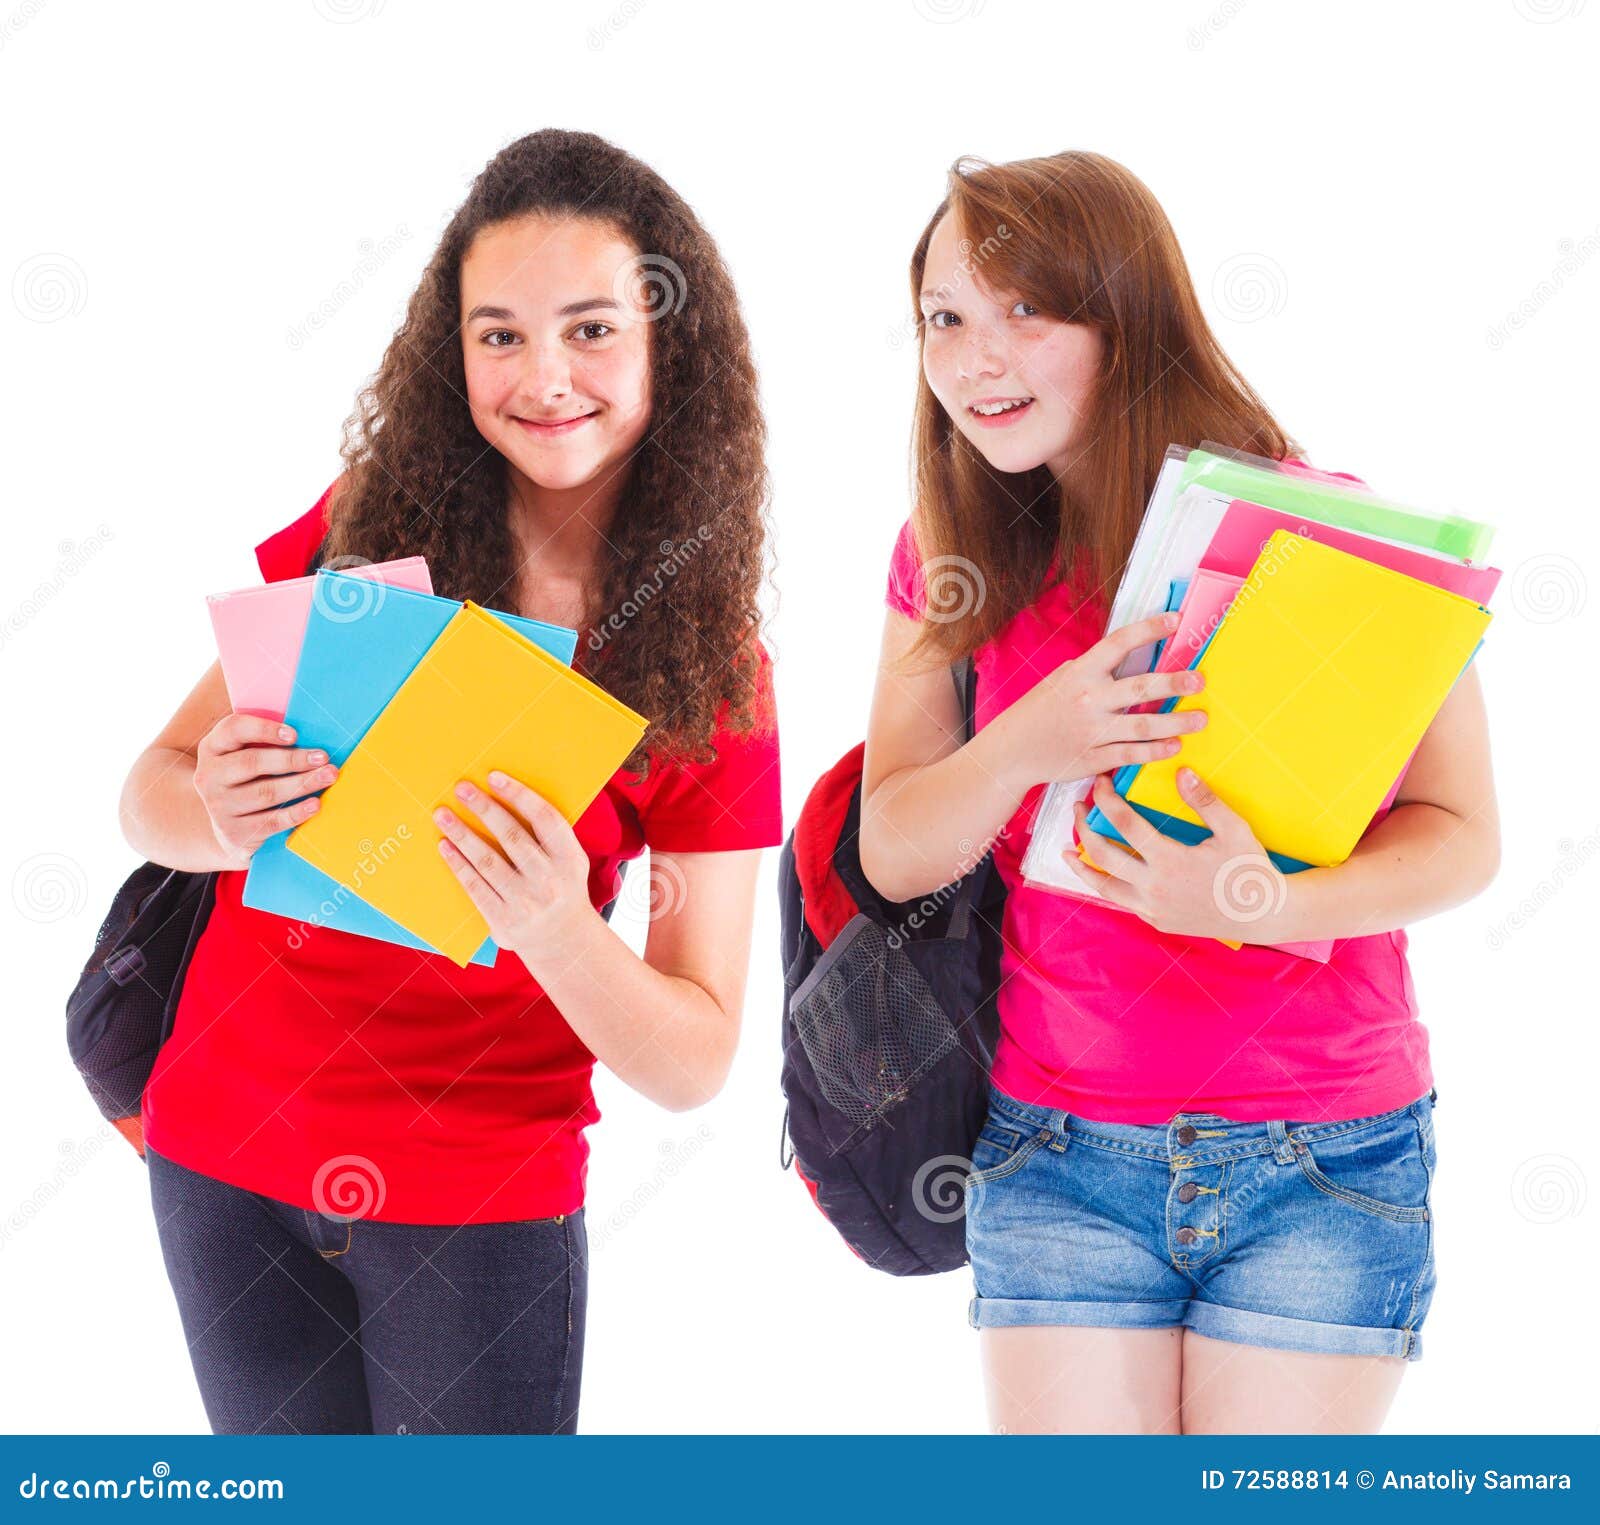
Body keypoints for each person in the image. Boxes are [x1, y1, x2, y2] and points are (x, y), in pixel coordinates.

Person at [119, 129, 781, 1435]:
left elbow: (696, 1051)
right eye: (500, 336)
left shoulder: (711, 668)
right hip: (219, 1153)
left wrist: (552, 925)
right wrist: (216, 809)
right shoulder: (369, 529)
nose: (546, 377)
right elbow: (148, 791)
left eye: (591, 329)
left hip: (476, 1205)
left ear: (667, 348)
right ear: (453, 351)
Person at [858, 150, 1498, 1434]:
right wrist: (1025, 742)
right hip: (1059, 1157)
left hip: (1319, 1159)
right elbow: (893, 851)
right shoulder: (953, 551)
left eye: (1025, 310)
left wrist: (1250, 896)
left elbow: (1463, 838)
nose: (977, 359)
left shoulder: (1318, 531)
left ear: (1125, 313)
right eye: (945, 319)